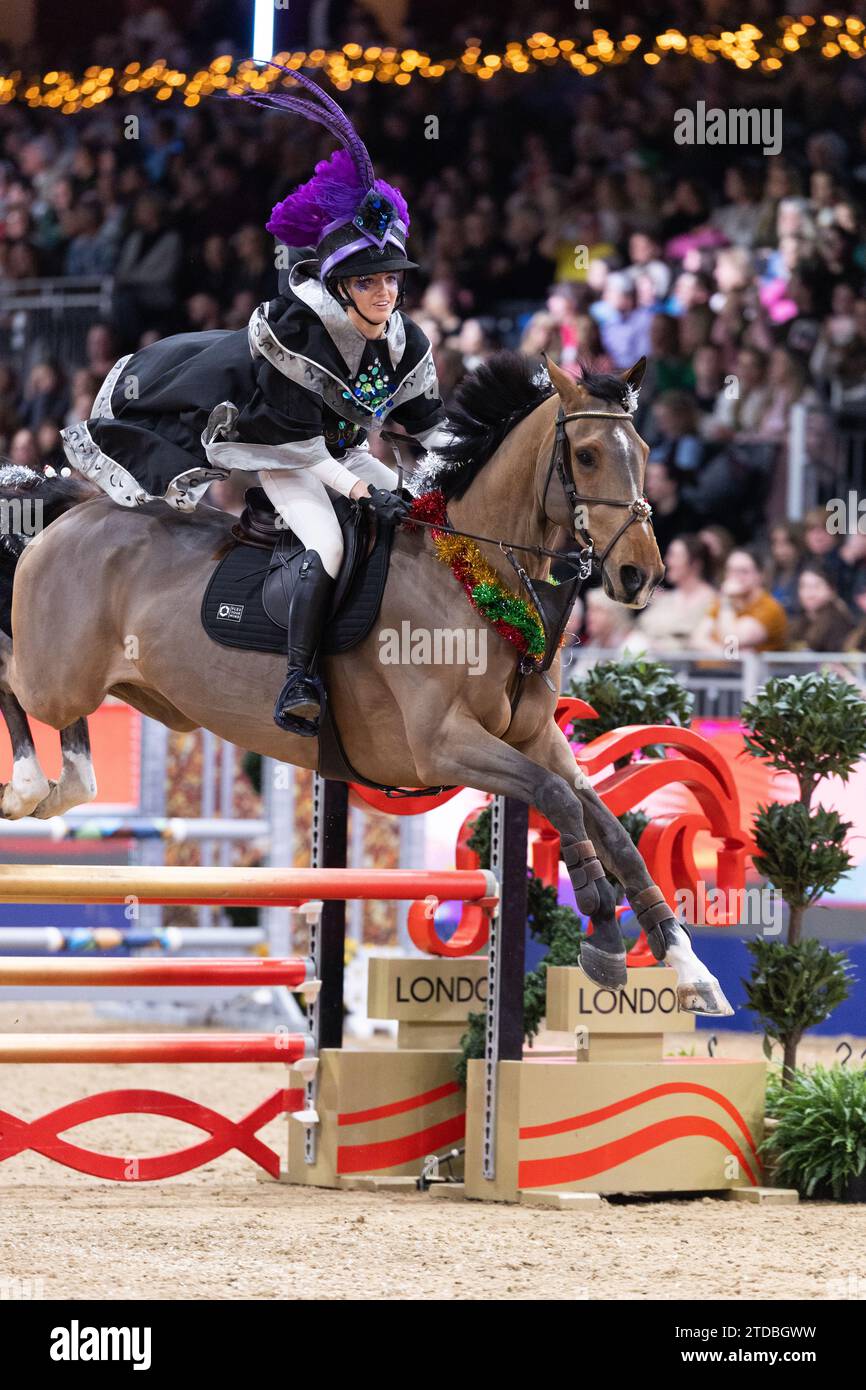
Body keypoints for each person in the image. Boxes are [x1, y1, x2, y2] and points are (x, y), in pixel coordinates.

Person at [61, 72, 451, 737]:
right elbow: (300, 447)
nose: (386, 293)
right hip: (285, 454)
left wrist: (434, 487)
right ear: (340, 285)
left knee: (423, 529)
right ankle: (299, 680)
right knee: (328, 542)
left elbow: (427, 428)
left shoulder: (404, 339)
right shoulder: (296, 336)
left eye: (391, 279)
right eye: (370, 282)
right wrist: (361, 491)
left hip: (340, 448)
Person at [626, 535, 717, 654]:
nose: (668, 561)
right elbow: (639, 629)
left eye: (675, 556)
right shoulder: (665, 599)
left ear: (695, 563)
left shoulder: (713, 601)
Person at [694, 548, 788, 654]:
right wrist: (727, 655)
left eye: (743, 571)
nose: (735, 577)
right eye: (731, 570)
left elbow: (730, 640)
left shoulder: (769, 607)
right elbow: (697, 640)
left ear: (760, 575)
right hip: (711, 669)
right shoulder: (722, 602)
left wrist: (727, 601)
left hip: (749, 671)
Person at [788, 563, 856, 652]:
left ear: (831, 590)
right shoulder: (798, 621)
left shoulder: (838, 623)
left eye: (817, 587)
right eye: (803, 586)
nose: (809, 594)